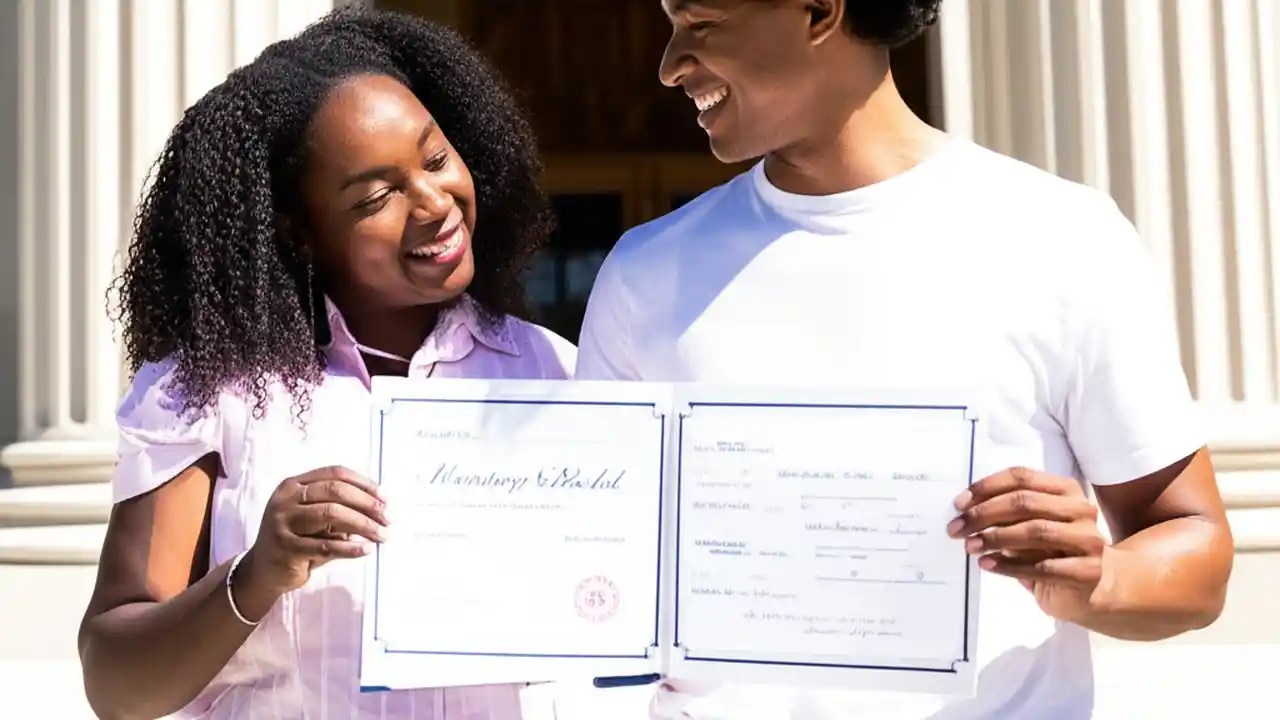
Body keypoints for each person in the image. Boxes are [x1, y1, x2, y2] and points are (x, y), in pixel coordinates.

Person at [575, 1, 1234, 718]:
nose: (670, 65)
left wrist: (1097, 580)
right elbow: (595, 571)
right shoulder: (645, 272)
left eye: (699, 22)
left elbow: (1197, 557)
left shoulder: (1063, 239)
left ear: (820, 10)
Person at [77, 8, 572, 719]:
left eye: (435, 160)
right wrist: (254, 580)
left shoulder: (554, 372)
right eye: (376, 196)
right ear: (299, 233)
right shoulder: (208, 392)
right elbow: (116, 684)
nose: (434, 203)